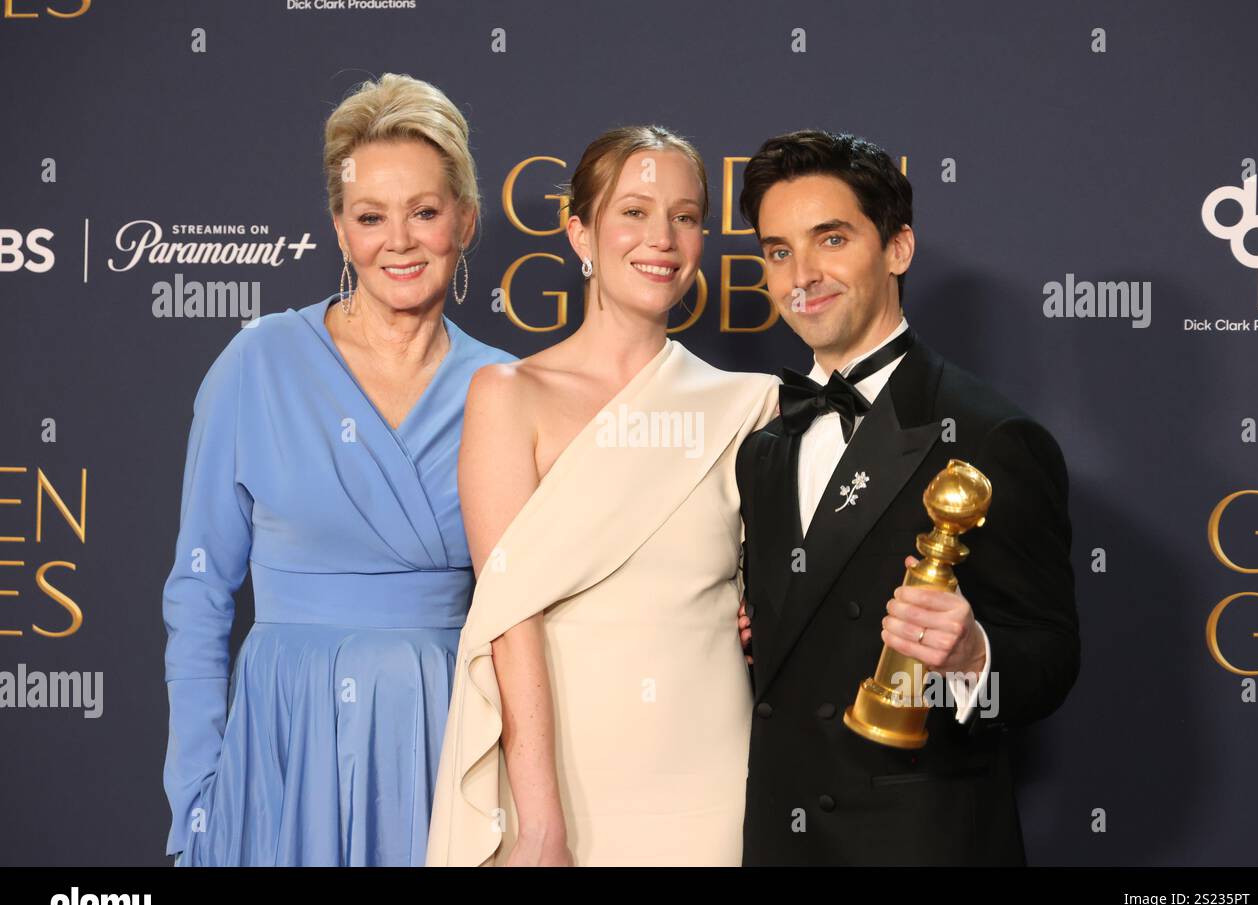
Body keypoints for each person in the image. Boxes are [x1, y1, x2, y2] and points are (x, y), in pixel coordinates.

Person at [162, 73, 515, 866]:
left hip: (445, 742)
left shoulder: (506, 390)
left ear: (464, 218)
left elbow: (549, 604)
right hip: (283, 740)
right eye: (370, 217)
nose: (399, 240)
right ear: (338, 227)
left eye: (424, 212)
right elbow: (198, 592)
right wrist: (196, 796)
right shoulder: (258, 362)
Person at [425, 125, 780, 866]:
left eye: (686, 216)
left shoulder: (750, 404)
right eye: (635, 210)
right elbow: (507, 619)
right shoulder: (507, 395)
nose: (663, 237)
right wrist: (541, 819)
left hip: (711, 776)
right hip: (564, 780)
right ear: (579, 232)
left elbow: (771, 591)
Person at [734, 130, 1080, 865]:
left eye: (831, 238)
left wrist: (971, 654)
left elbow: (1050, 660)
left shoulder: (991, 434)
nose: (802, 273)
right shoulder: (764, 447)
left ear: (897, 248)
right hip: (778, 837)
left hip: (916, 843)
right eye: (777, 250)